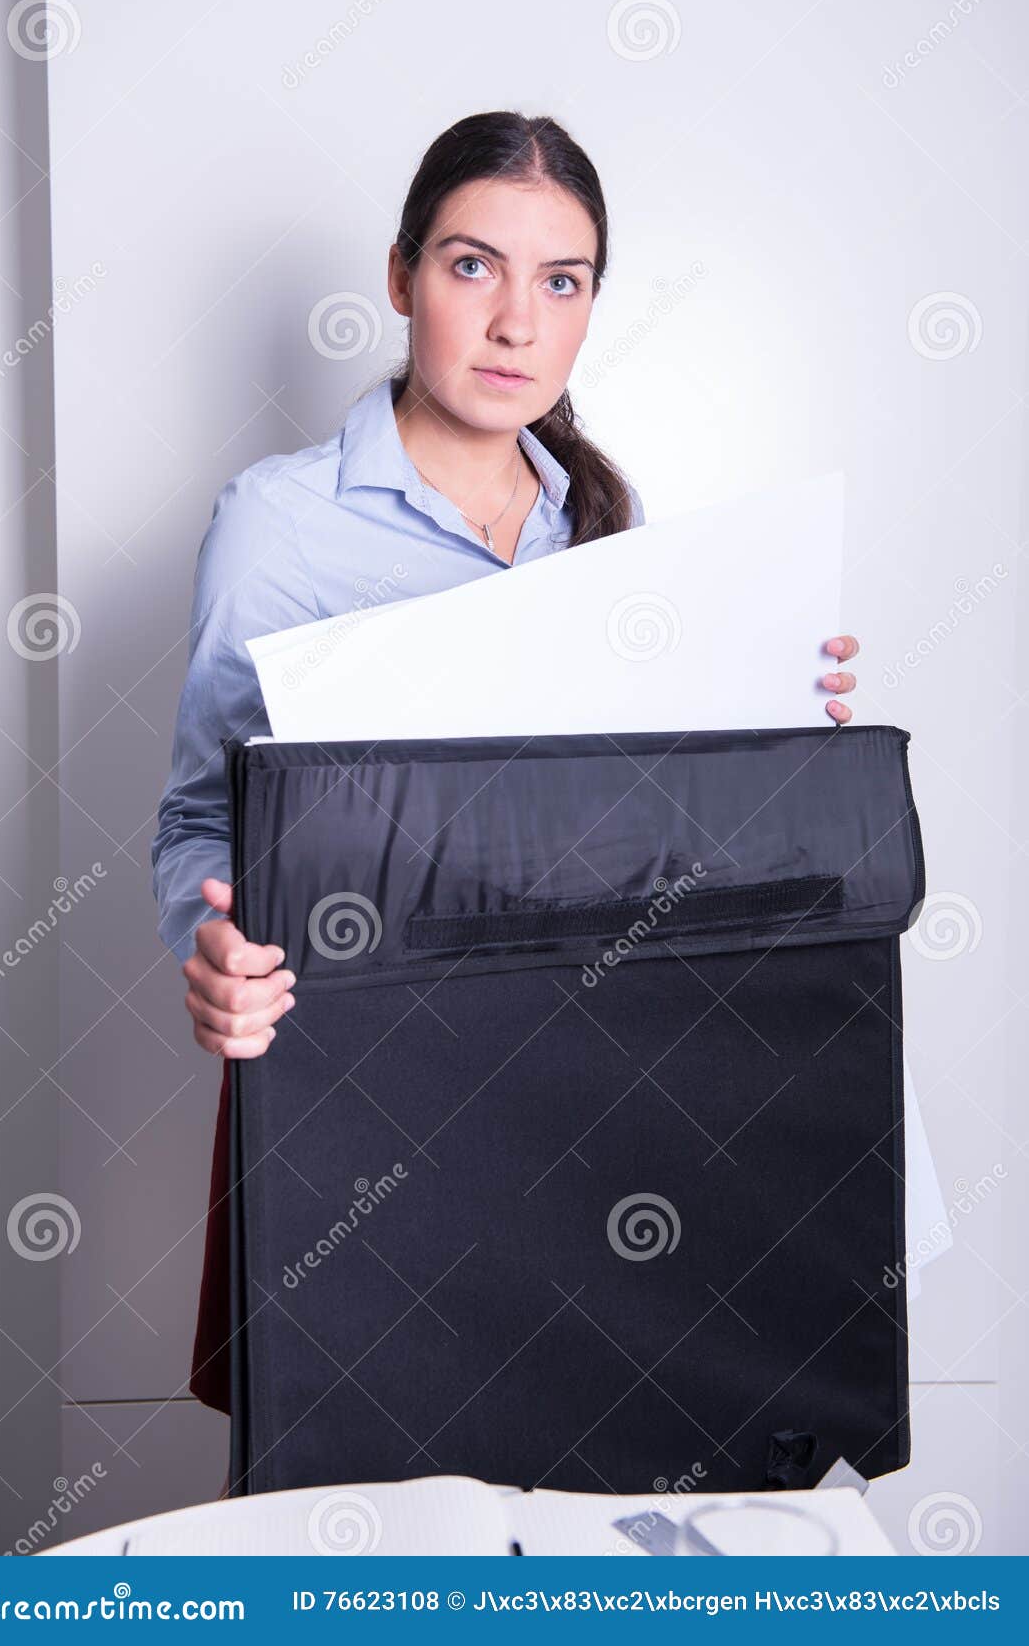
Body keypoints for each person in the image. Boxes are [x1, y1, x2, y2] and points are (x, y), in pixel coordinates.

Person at [150, 111, 859, 1467]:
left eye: (562, 281)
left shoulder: (606, 525)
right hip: (362, 1094)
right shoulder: (279, 522)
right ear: (403, 273)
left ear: (592, 305)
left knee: (593, 1487)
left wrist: (766, 721)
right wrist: (209, 940)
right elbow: (199, 816)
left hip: (592, 1089)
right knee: (367, 1501)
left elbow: (630, 832)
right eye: (474, 267)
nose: (515, 321)